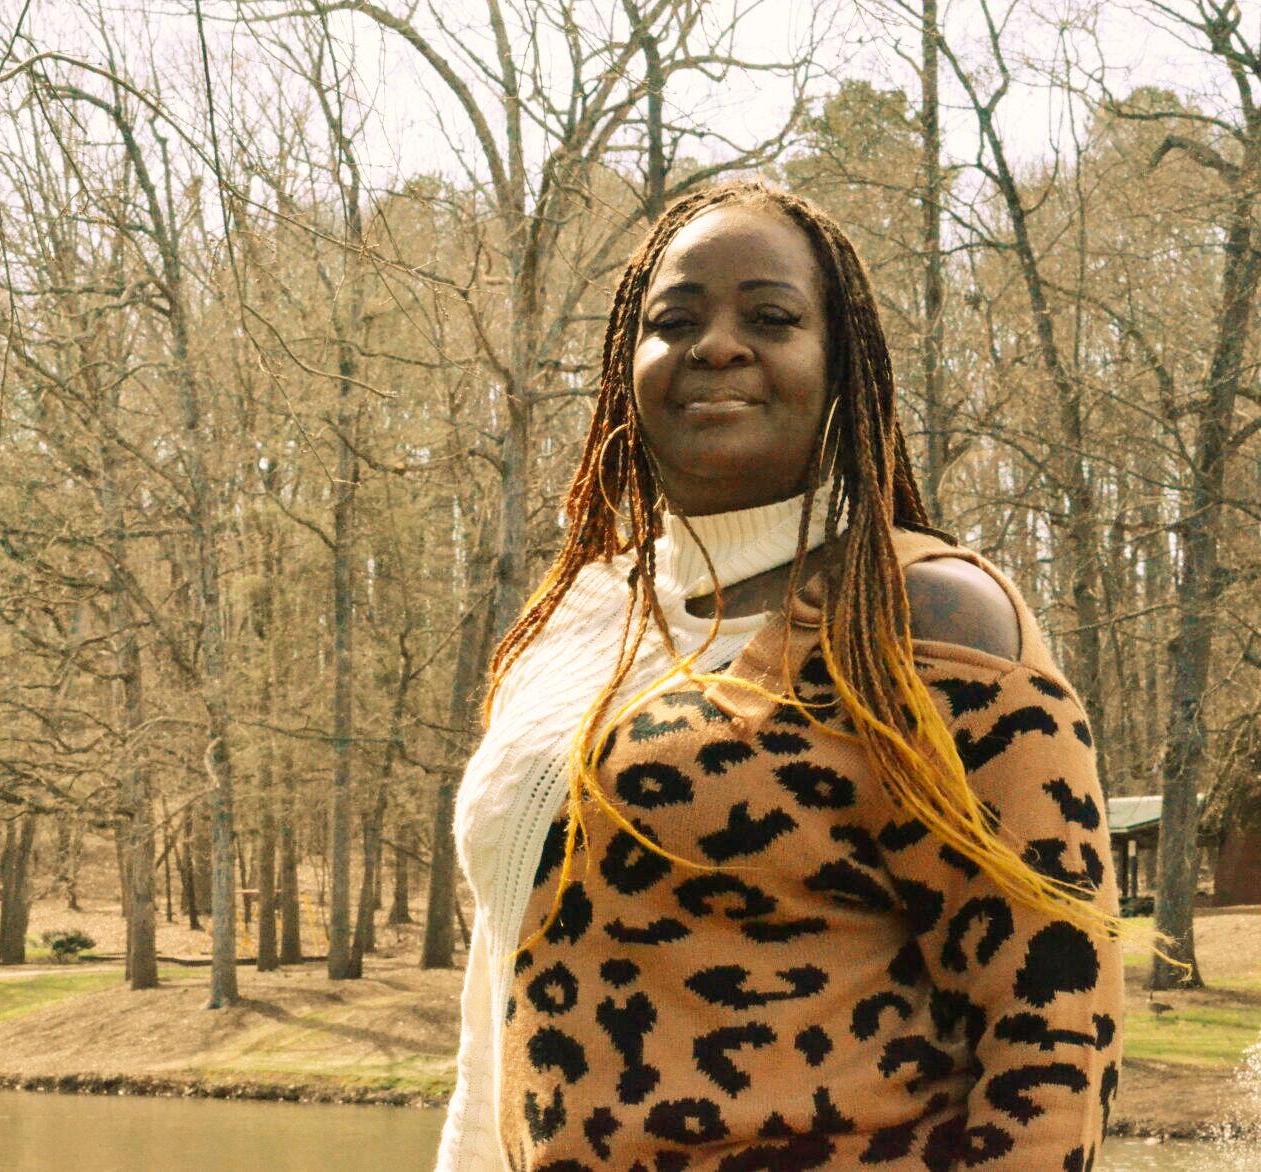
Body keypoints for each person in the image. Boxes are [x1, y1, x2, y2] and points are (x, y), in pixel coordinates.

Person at [435, 179, 1124, 1171]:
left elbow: (1049, 1045)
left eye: (769, 317)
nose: (716, 344)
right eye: (674, 320)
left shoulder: (922, 615)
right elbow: (496, 1001)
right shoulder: (574, 616)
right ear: (627, 364)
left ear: (839, 362)